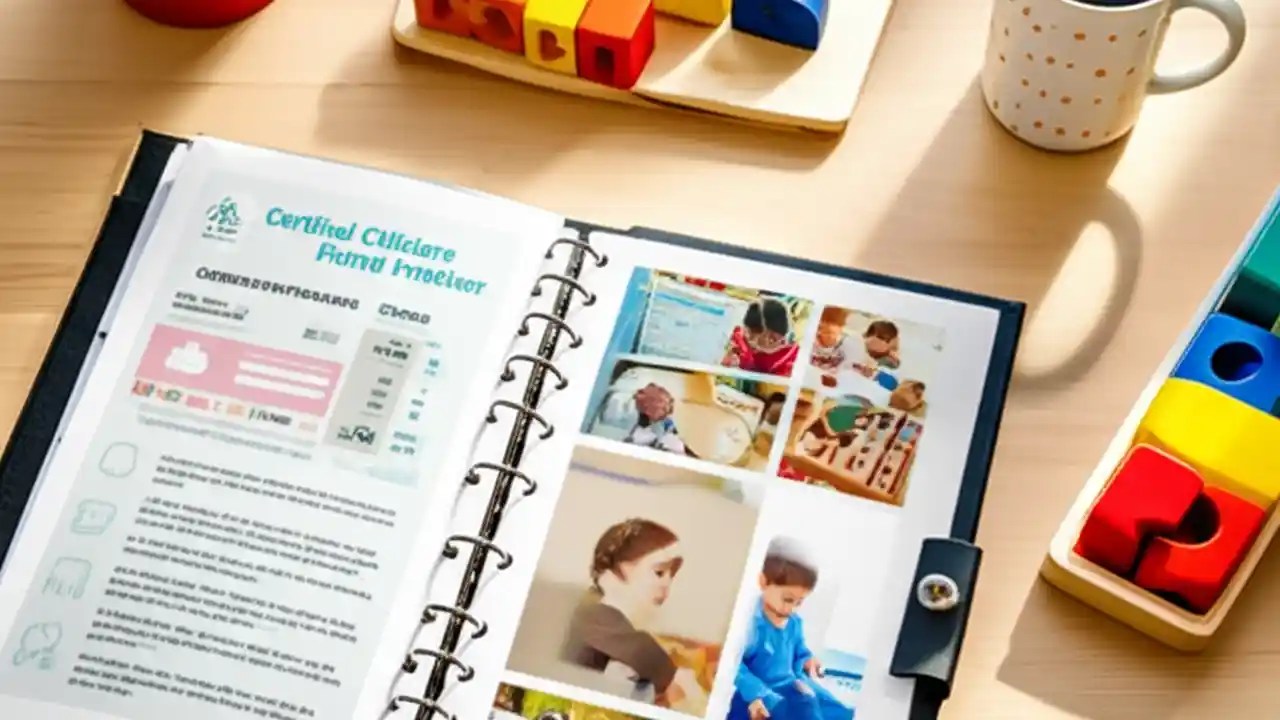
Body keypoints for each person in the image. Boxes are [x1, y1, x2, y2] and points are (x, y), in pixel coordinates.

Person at [563, 519, 702, 710]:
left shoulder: (615, 625)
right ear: (619, 567)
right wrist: (679, 678)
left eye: (672, 575)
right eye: (659, 572)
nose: (667, 584)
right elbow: (639, 647)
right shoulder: (590, 611)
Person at [731, 542, 850, 720]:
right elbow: (735, 666)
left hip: (791, 681)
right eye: (788, 599)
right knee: (803, 709)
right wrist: (755, 695)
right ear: (763, 582)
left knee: (837, 710)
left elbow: (799, 650)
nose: (792, 608)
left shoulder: (794, 622)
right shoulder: (751, 624)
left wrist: (808, 659)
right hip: (764, 688)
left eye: (799, 602)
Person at [724, 298, 799, 376]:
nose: (747, 338)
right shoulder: (740, 336)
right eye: (746, 331)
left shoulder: (790, 362)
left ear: (772, 339)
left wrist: (746, 366)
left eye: (752, 336)